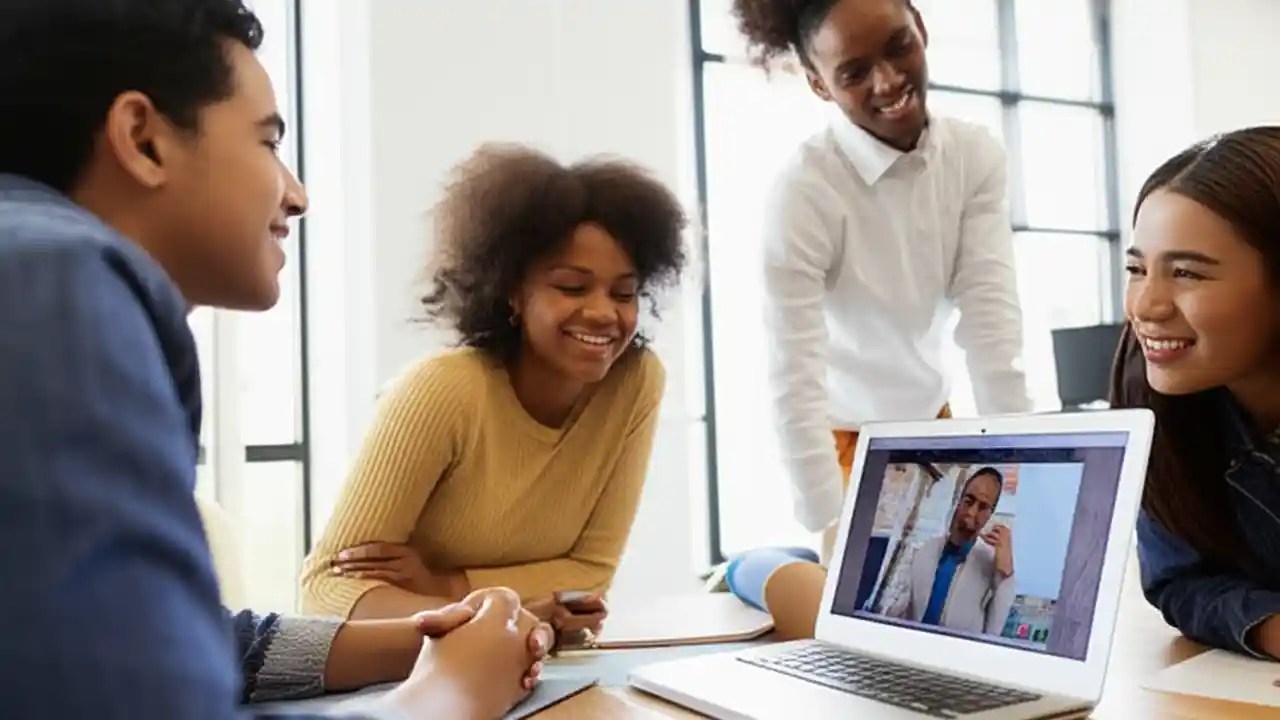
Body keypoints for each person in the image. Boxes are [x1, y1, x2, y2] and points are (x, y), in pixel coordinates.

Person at [0, 1, 550, 718]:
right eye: (267, 144)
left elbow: (177, 637)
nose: (297, 194)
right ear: (143, 139)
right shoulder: (59, 284)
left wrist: (420, 642)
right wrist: (447, 695)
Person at [299, 144, 688, 641]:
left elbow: (592, 574)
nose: (603, 313)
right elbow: (326, 591)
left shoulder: (635, 381)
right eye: (571, 287)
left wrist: (447, 585)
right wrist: (513, 610)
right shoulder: (443, 390)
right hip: (408, 673)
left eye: (624, 293)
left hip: (530, 661)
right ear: (512, 290)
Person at [732, 0, 1032, 543]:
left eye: (899, 46)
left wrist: (1027, 463)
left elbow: (991, 320)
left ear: (920, 26)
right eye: (854, 72)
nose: (889, 81)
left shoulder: (973, 155)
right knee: (857, 594)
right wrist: (827, 519)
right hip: (845, 435)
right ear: (820, 84)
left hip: (934, 422)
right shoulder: (805, 191)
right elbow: (794, 371)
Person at [1111, 126, 1280, 660]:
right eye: (1137, 269)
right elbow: (1180, 582)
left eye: (1185, 272)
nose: (1147, 305)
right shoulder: (1160, 399)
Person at [884, 467, 1015, 634]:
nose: (971, 512)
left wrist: (1006, 573)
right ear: (959, 501)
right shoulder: (926, 550)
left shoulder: (990, 566)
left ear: (990, 514)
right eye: (969, 500)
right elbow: (901, 609)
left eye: (983, 507)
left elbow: (994, 633)